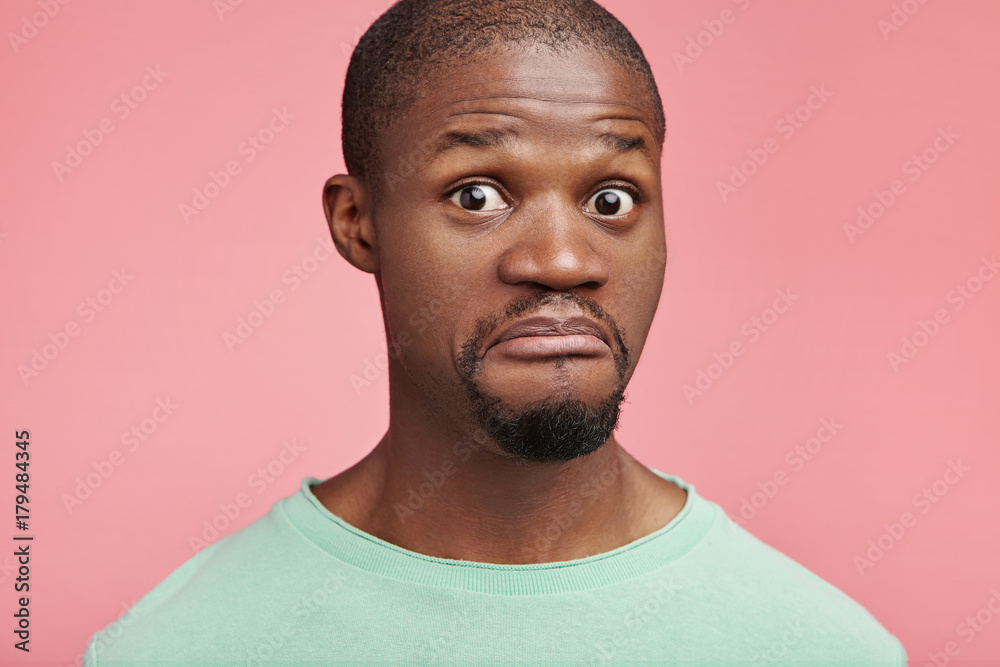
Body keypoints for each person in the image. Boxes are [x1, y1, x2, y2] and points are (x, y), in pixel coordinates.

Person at [85, 0, 907, 663]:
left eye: (612, 199)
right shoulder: (175, 646)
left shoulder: (822, 647)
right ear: (356, 221)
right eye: (478, 194)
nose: (561, 260)